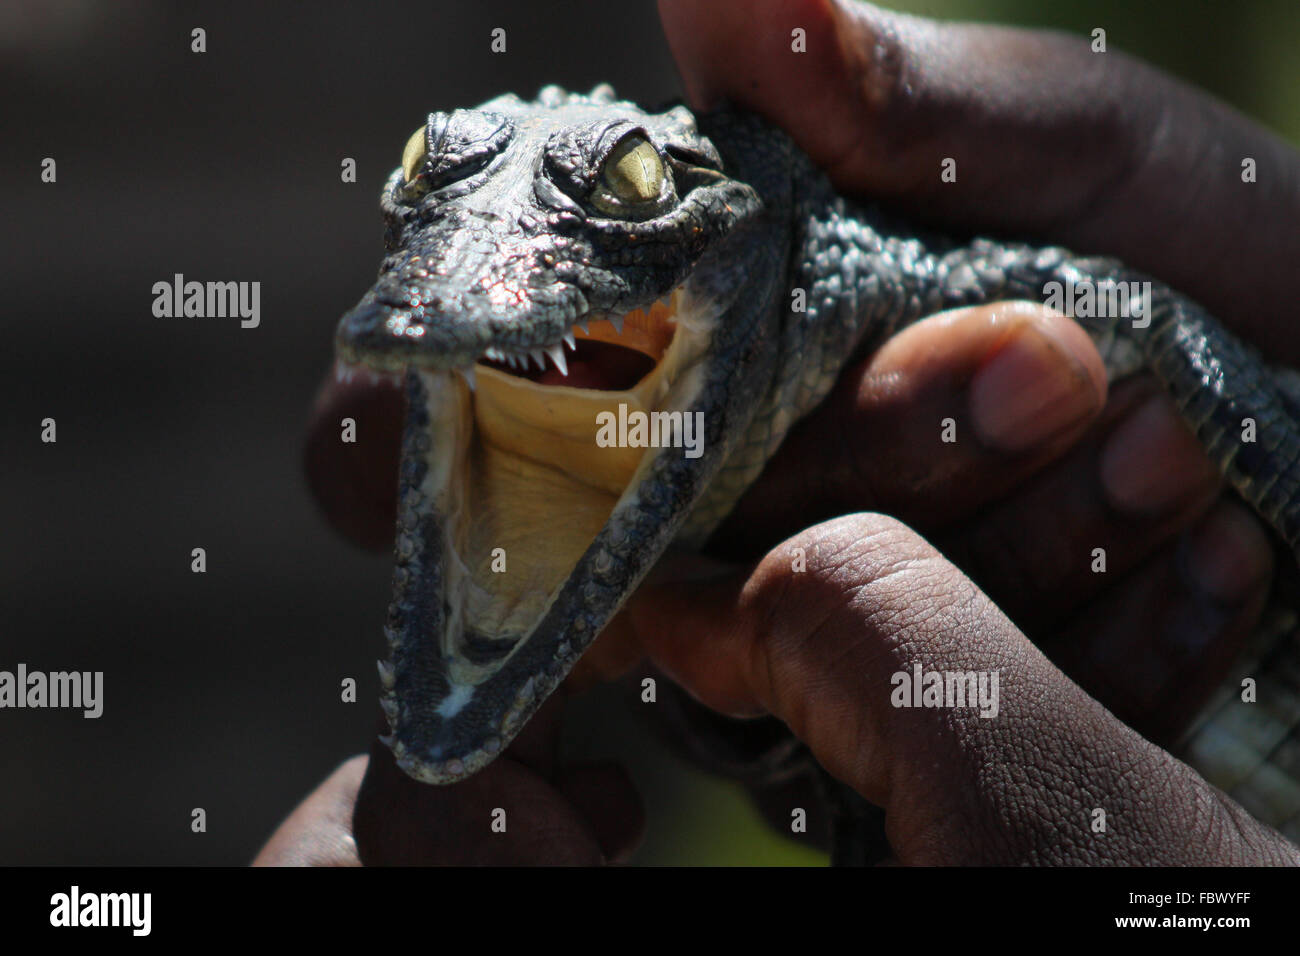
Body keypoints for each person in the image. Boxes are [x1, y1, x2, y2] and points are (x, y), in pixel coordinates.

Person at [257, 0, 1300, 865]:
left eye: (620, 182)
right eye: (435, 178)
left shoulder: (876, 260)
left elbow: (1155, 317)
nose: (474, 268)